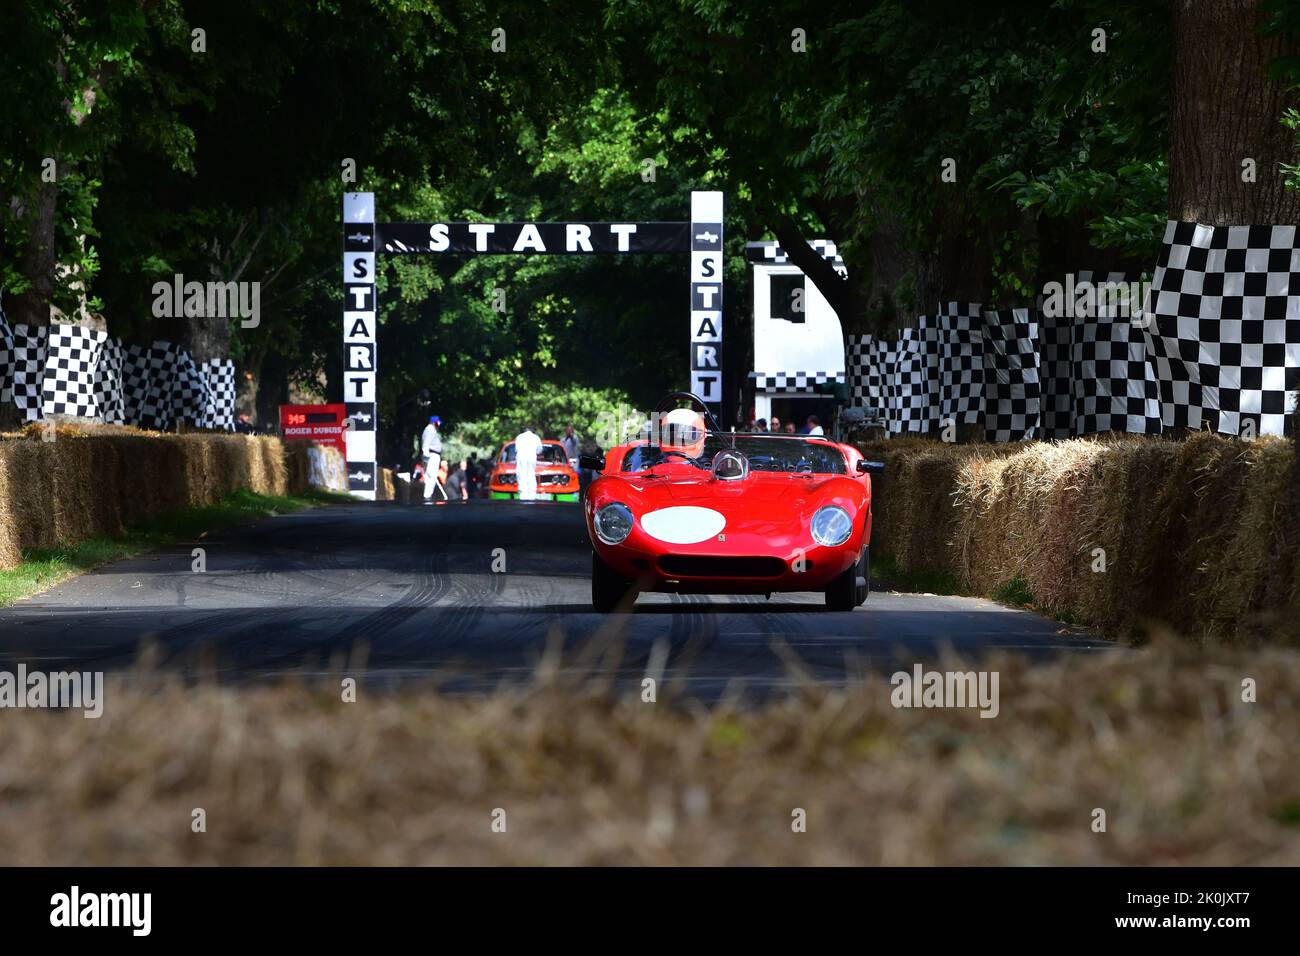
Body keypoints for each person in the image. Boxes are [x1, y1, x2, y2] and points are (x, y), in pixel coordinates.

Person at [514, 424, 542, 501]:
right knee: (531, 474)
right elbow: (539, 450)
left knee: (521, 474)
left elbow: (516, 449)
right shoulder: (536, 437)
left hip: (521, 457)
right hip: (531, 457)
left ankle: (523, 495)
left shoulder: (519, 437)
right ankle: (532, 495)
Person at [421, 415, 443, 503]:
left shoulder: (432, 430)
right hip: (432, 455)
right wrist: (426, 458)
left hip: (433, 455)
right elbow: (426, 444)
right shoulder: (430, 429)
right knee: (431, 477)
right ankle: (427, 497)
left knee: (431, 477)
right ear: (435, 422)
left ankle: (428, 497)